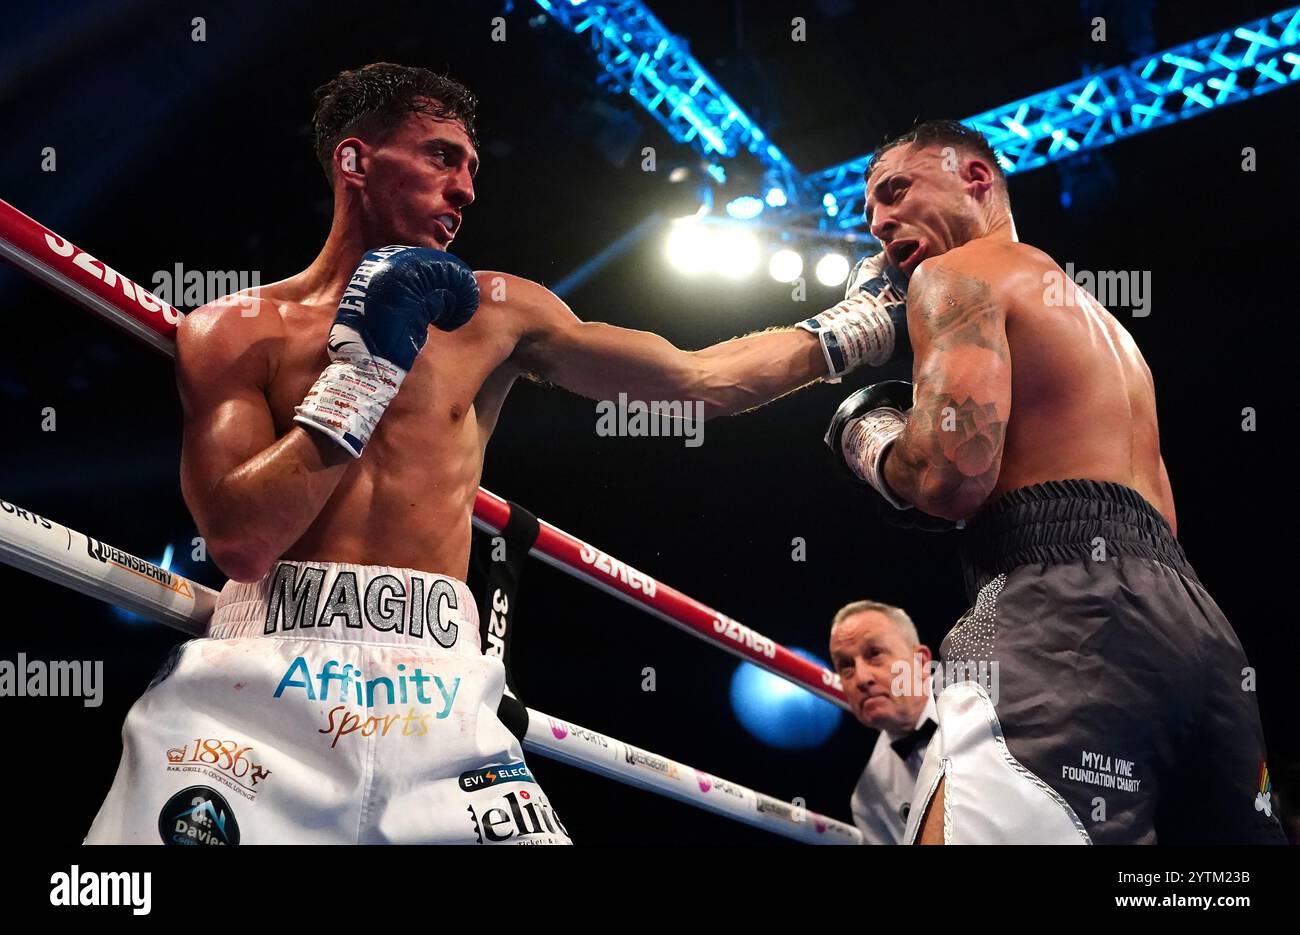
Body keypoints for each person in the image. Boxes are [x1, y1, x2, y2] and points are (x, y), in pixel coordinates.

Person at [85, 63, 905, 845]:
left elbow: (696, 379)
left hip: (438, 683)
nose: (467, 188)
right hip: (259, 683)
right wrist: (364, 372)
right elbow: (242, 541)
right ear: (355, 159)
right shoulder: (232, 329)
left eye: (473, 166)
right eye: (442, 157)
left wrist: (846, 331)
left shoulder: (497, 313)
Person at [826, 119, 1286, 844]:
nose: (880, 221)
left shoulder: (957, 275)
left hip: (1059, 606)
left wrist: (870, 439)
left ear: (976, 177)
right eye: (871, 214)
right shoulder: (1111, 334)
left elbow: (952, 478)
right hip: (1200, 631)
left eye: (895, 190)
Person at [829, 600, 935, 845]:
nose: (861, 678)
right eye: (846, 666)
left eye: (874, 654)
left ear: (920, 662)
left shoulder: (988, 705)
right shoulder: (868, 799)